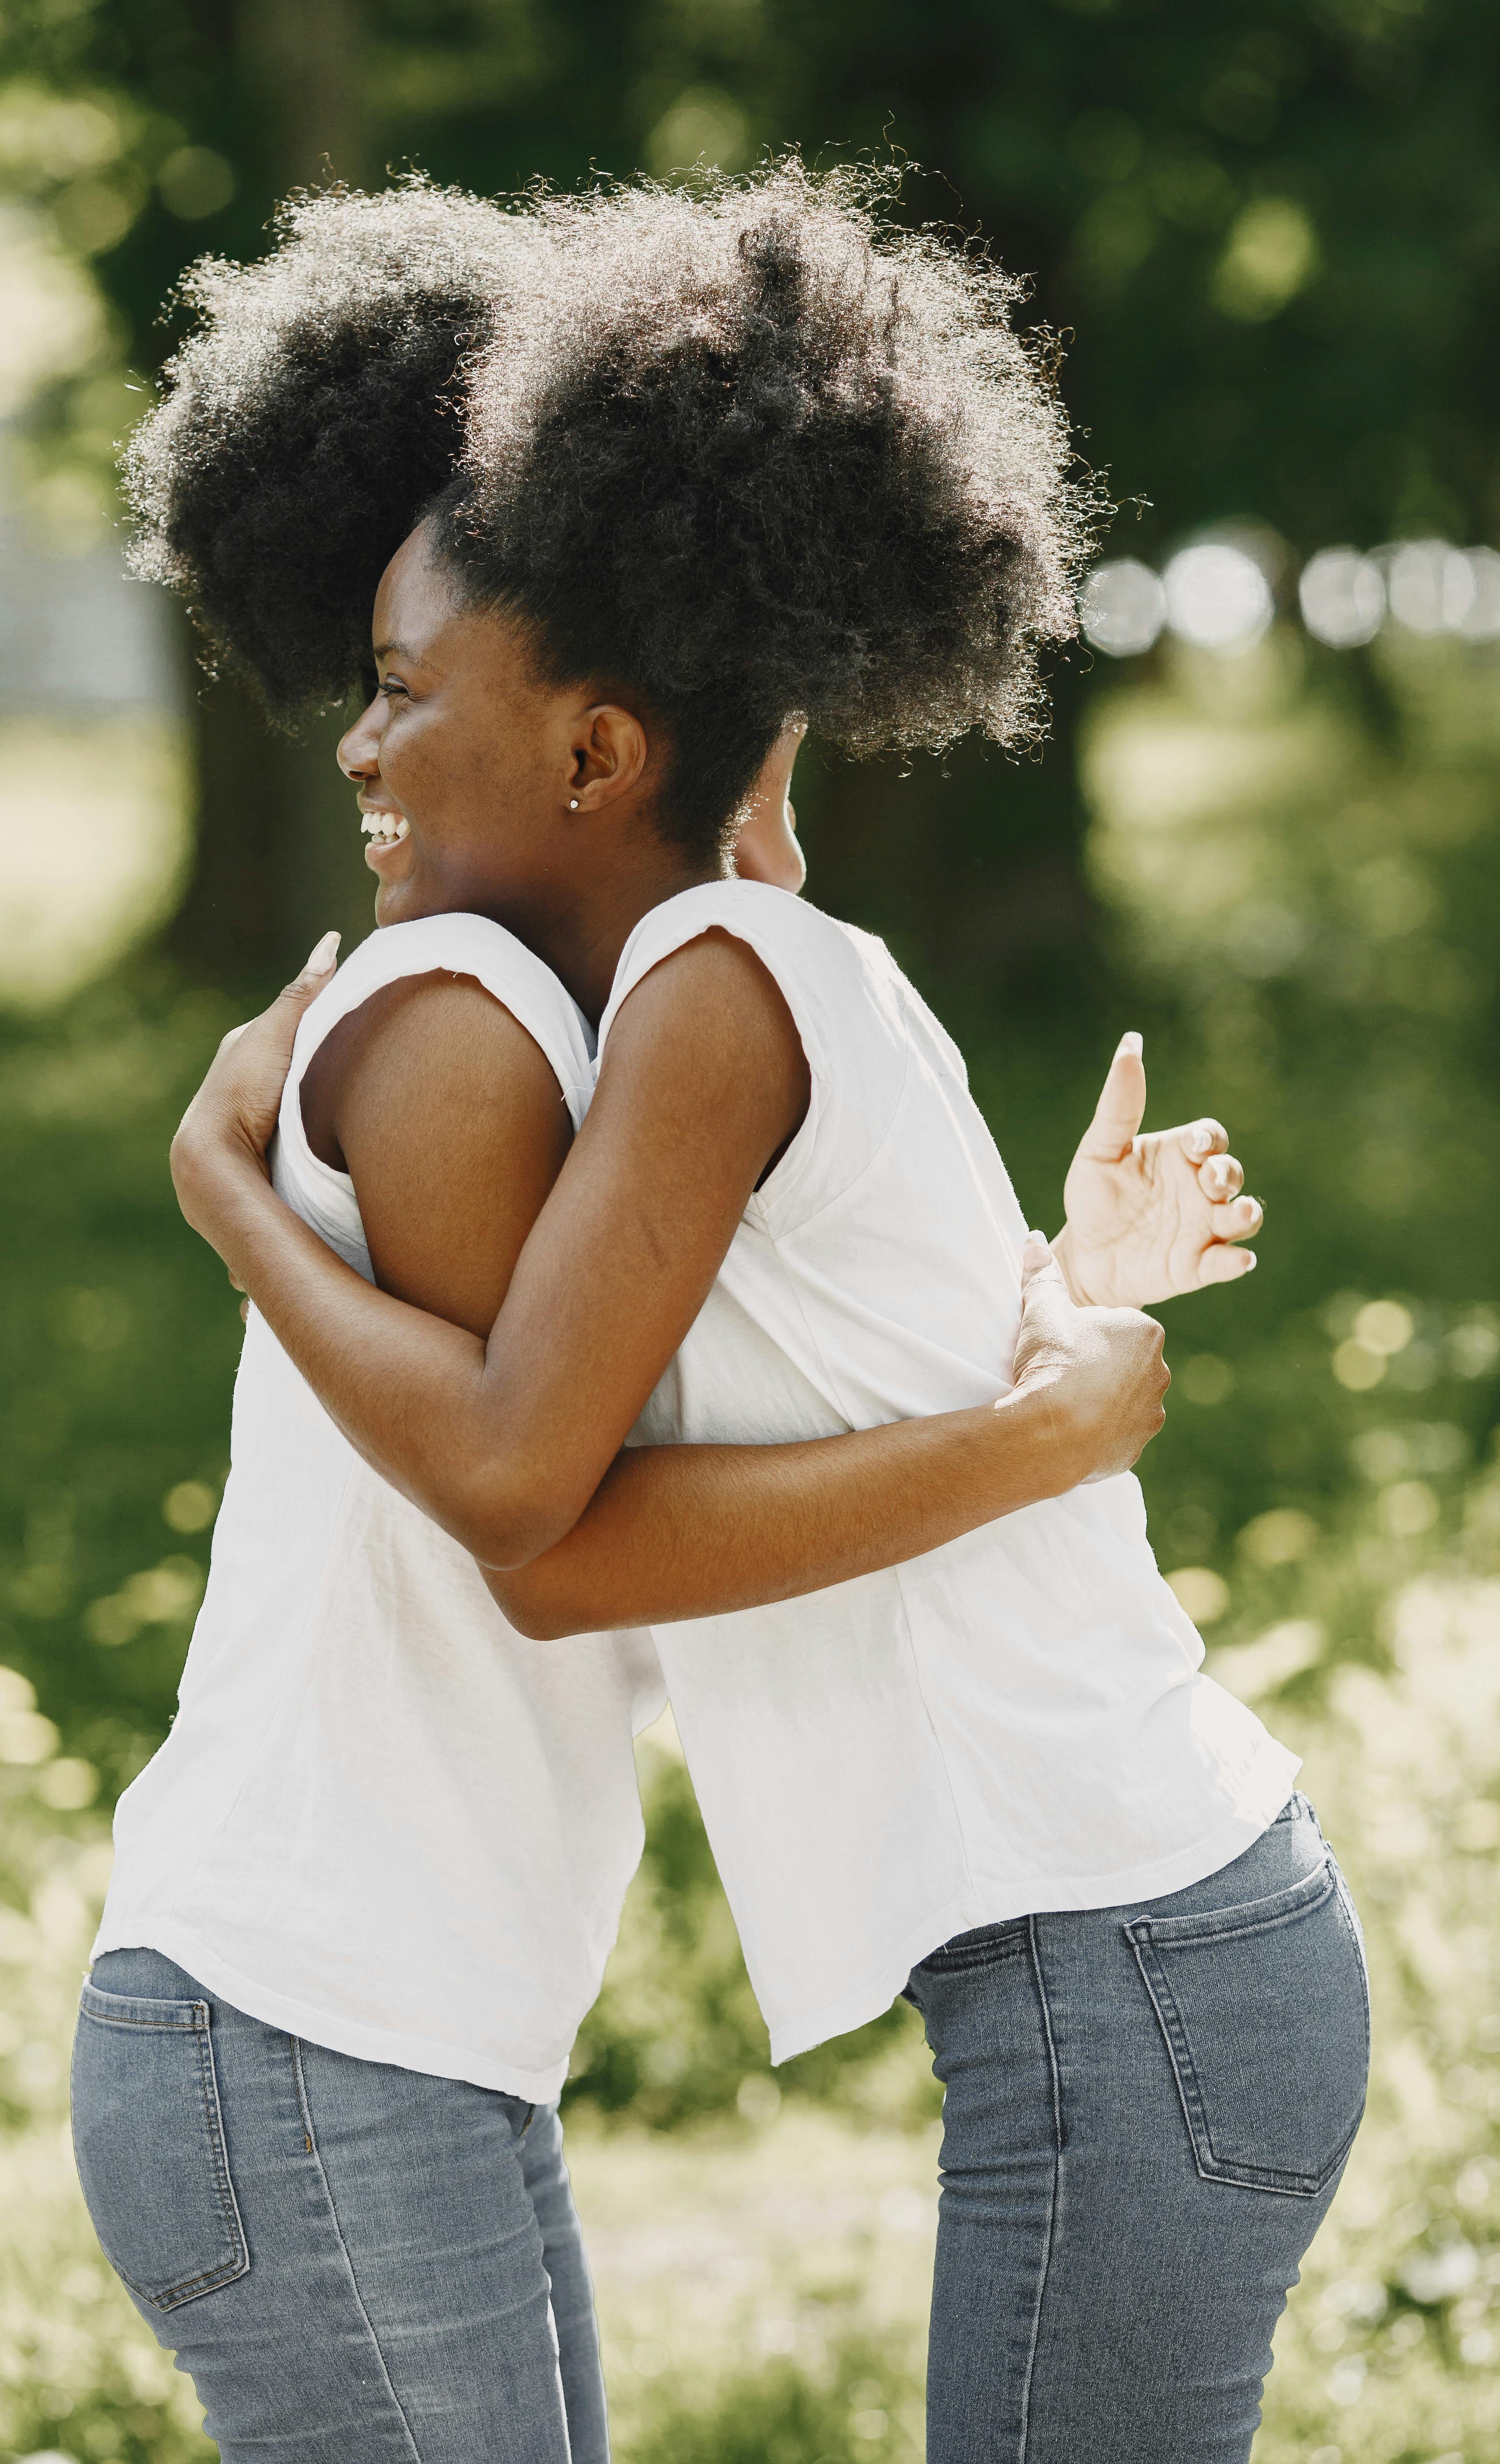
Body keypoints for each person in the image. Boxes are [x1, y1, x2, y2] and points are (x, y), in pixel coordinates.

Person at [154, 167, 1367, 2463]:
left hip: (1135, 1986)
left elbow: (535, 1490)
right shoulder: (756, 975)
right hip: (1146, 1966)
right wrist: (1045, 1307)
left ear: (607, 751)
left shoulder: (716, 998)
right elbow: (818, 1331)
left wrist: (229, 1196)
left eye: (404, 694)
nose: (355, 748)